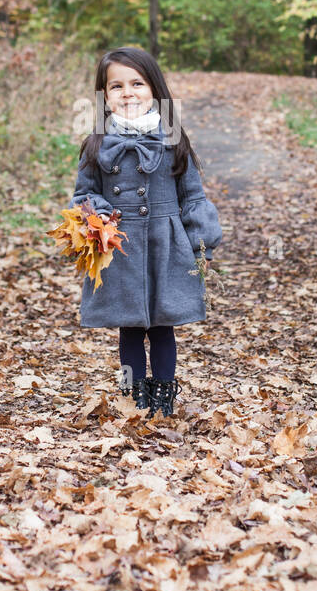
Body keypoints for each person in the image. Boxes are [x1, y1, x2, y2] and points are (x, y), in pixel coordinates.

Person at [69, 46, 222, 418]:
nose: (128, 92)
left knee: (163, 325)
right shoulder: (97, 143)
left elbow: (192, 196)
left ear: (154, 88)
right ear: (104, 95)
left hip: (166, 244)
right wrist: (99, 215)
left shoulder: (172, 139)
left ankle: (164, 398)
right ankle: (133, 396)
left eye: (137, 83)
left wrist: (201, 244)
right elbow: (84, 194)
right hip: (121, 247)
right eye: (116, 86)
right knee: (130, 328)